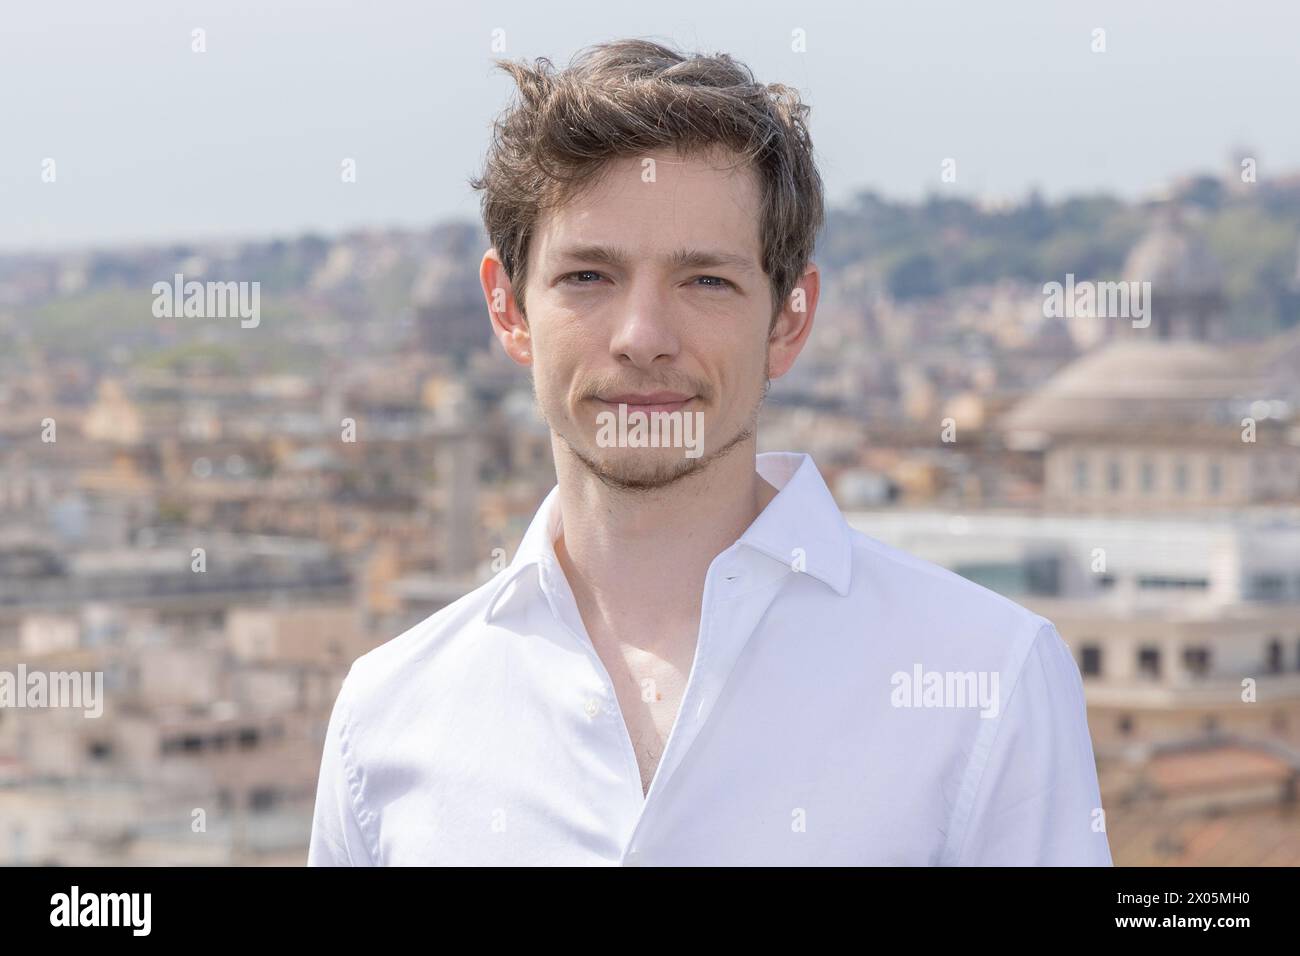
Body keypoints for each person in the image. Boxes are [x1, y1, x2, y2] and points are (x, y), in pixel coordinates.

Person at [308, 38, 1112, 866]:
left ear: (789, 319)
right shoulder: (384, 719)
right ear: (509, 310)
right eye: (588, 276)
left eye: (706, 282)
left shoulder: (991, 679)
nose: (644, 339)